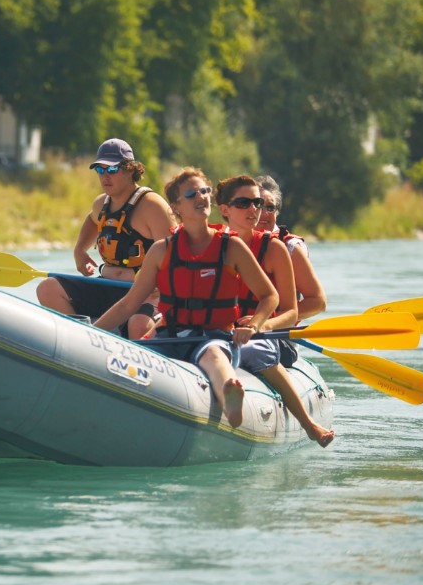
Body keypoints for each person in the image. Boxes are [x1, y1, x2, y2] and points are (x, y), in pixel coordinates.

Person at [94, 167, 277, 428]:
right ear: (176, 206)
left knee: (213, 356)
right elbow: (128, 304)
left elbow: (269, 296)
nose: (201, 197)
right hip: (169, 336)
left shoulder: (231, 247)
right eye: (192, 194)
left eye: (205, 191)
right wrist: (89, 332)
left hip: (214, 336)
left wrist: (253, 325)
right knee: (134, 357)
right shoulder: (161, 251)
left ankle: (229, 395)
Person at [217, 174, 334, 446]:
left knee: (255, 349)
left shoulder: (284, 248)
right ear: (228, 210)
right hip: (228, 328)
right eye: (250, 203)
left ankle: (308, 423)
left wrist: (265, 322)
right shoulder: (219, 243)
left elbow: (316, 301)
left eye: (267, 206)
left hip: (271, 334)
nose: (260, 211)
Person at [36, 138, 176, 338]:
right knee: (48, 288)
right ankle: (83, 342)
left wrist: (162, 282)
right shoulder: (101, 203)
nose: (105, 177)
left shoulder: (153, 206)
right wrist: (79, 250)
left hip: (145, 294)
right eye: (100, 170)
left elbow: (175, 250)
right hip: (106, 286)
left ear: (130, 169)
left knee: (137, 325)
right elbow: (93, 220)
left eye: (112, 170)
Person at [255, 175, 326, 321]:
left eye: (270, 207)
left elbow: (318, 303)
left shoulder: (290, 247)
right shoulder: (232, 243)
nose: (264, 213)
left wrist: (265, 321)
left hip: (276, 335)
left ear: (276, 212)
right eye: (258, 205)